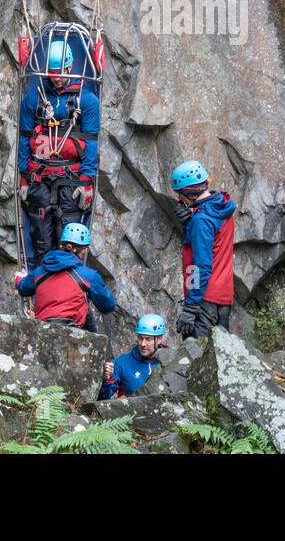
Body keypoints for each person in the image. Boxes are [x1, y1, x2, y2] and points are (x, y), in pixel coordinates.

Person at [17, 39, 100, 268]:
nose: (56, 77)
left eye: (60, 72)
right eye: (52, 73)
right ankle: (43, 292)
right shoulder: (33, 99)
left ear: (70, 66)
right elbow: (24, 139)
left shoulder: (87, 101)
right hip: (39, 181)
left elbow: (91, 143)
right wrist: (24, 178)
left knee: (69, 241)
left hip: (71, 182)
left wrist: (86, 183)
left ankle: (67, 292)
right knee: (41, 242)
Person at [170, 159, 237, 339]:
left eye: (180, 194)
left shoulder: (201, 221)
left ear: (189, 193)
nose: (179, 199)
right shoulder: (221, 207)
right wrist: (189, 224)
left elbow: (201, 267)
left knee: (196, 359)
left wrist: (191, 307)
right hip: (223, 298)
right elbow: (215, 245)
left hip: (204, 299)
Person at [14, 222, 116, 331]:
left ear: (61, 245)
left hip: (42, 328)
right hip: (72, 331)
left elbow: (23, 288)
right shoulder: (89, 276)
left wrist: (19, 278)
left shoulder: (40, 271)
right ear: (84, 249)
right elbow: (108, 306)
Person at [98, 314, 166, 400]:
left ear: (159, 339)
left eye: (148, 339)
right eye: (140, 338)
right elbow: (102, 400)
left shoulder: (169, 363)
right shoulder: (122, 363)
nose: (143, 344)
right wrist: (107, 380)